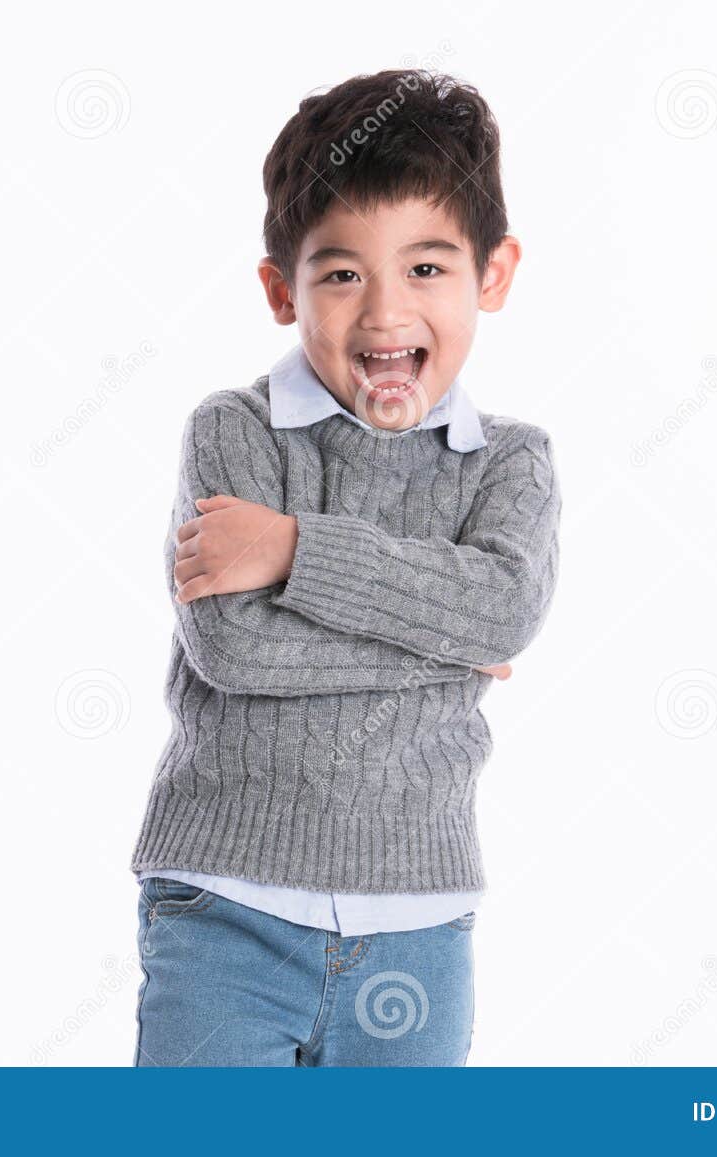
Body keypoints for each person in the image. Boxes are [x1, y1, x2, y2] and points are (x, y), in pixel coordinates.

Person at [127, 67, 562, 1066]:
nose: (382, 315)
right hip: (223, 908)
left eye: (424, 268)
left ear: (490, 275)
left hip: (420, 924)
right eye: (339, 273)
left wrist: (290, 548)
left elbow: (501, 611)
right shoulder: (234, 432)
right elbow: (234, 647)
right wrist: (446, 641)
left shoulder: (509, 461)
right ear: (282, 289)